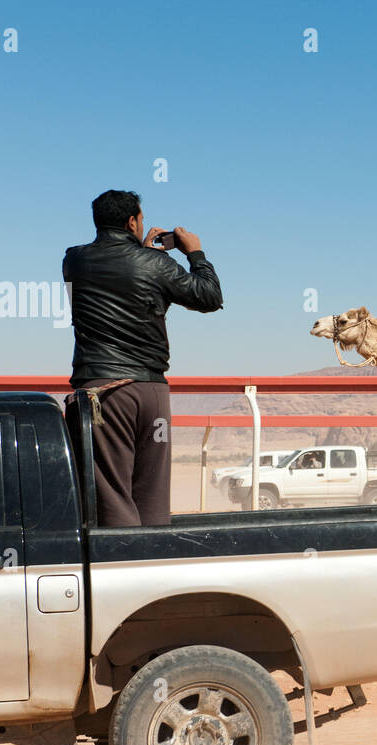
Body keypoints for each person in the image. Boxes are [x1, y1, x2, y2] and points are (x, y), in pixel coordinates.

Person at [63, 189, 223, 526]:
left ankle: (120, 569)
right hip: (152, 393)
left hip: (102, 394)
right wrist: (194, 252)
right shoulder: (157, 264)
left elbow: (116, 283)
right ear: (133, 221)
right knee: (152, 495)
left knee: (111, 495)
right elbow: (210, 296)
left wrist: (143, 252)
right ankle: (153, 565)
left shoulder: (73, 260)